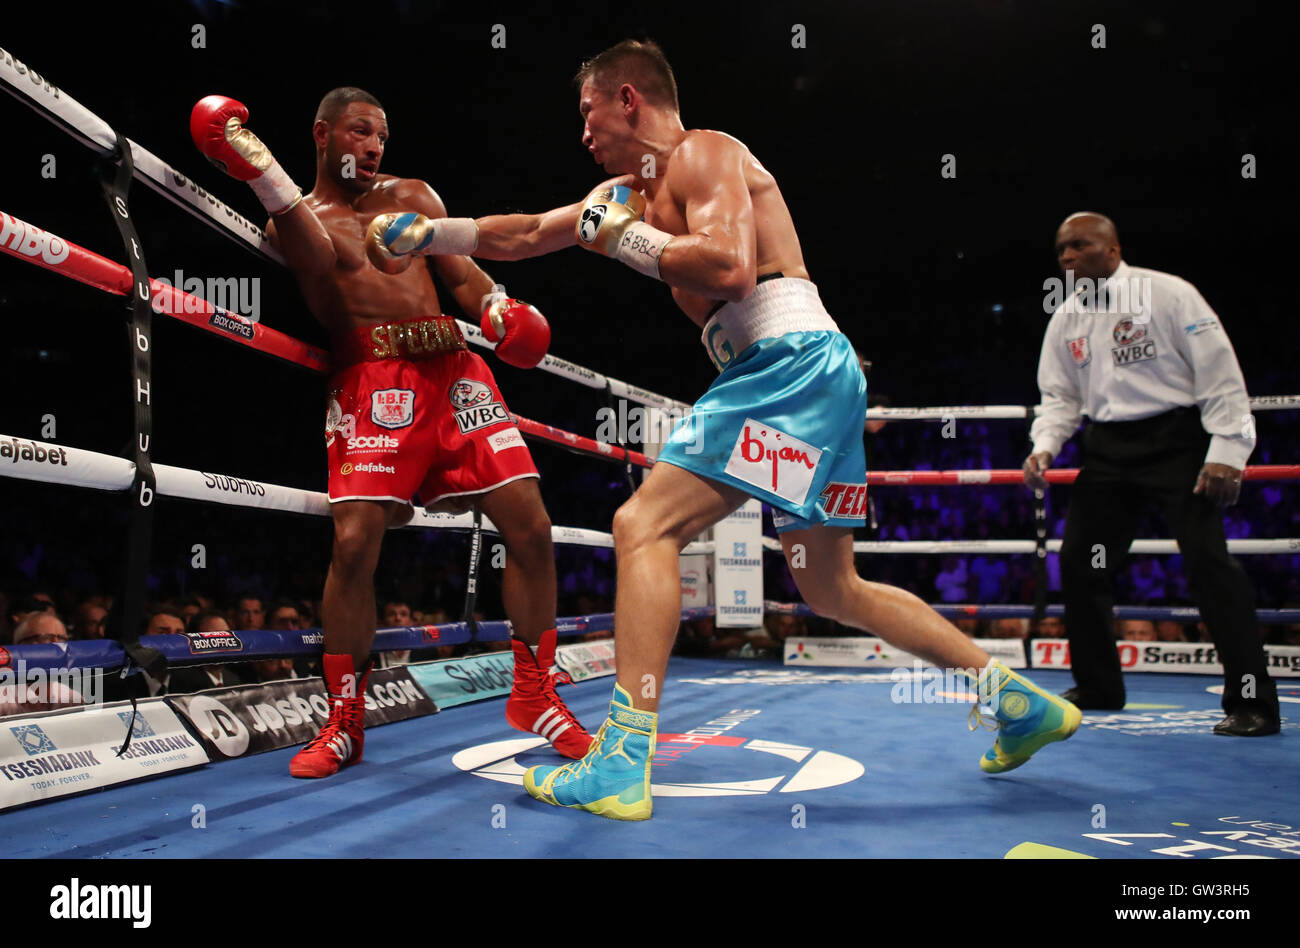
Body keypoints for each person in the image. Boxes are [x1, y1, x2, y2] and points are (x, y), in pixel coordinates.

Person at [377, 40, 1080, 819]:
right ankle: (1016, 701)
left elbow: (729, 269)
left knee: (642, 525)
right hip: (808, 368)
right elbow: (529, 232)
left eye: (588, 114)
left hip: (786, 359)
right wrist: (429, 236)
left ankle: (622, 759)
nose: (582, 135)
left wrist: (625, 241)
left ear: (629, 100)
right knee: (830, 585)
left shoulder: (705, 153)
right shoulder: (629, 193)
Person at [190, 86, 594, 778]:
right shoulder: (293, 219)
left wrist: (497, 308)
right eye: (358, 133)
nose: (373, 147)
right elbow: (318, 280)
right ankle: (345, 718)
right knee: (353, 544)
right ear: (322, 134)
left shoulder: (414, 195)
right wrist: (262, 175)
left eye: (380, 135)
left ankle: (536, 693)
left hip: (456, 370)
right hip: (372, 378)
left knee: (530, 525)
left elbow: (461, 272)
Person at [1024, 211, 1280, 736]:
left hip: (1178, 443)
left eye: (1079, 245)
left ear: (1112, 249)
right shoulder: (1067, 315)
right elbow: (1060, 397)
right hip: (1108, 448)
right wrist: (1045, 447)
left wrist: (1228, 449)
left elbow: (1220, 375)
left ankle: (1252, 702)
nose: (1068, 257)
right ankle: (1098, 685)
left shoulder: (1168, 294)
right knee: (1079, 562)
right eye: (1061, 251)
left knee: (1210, 565)